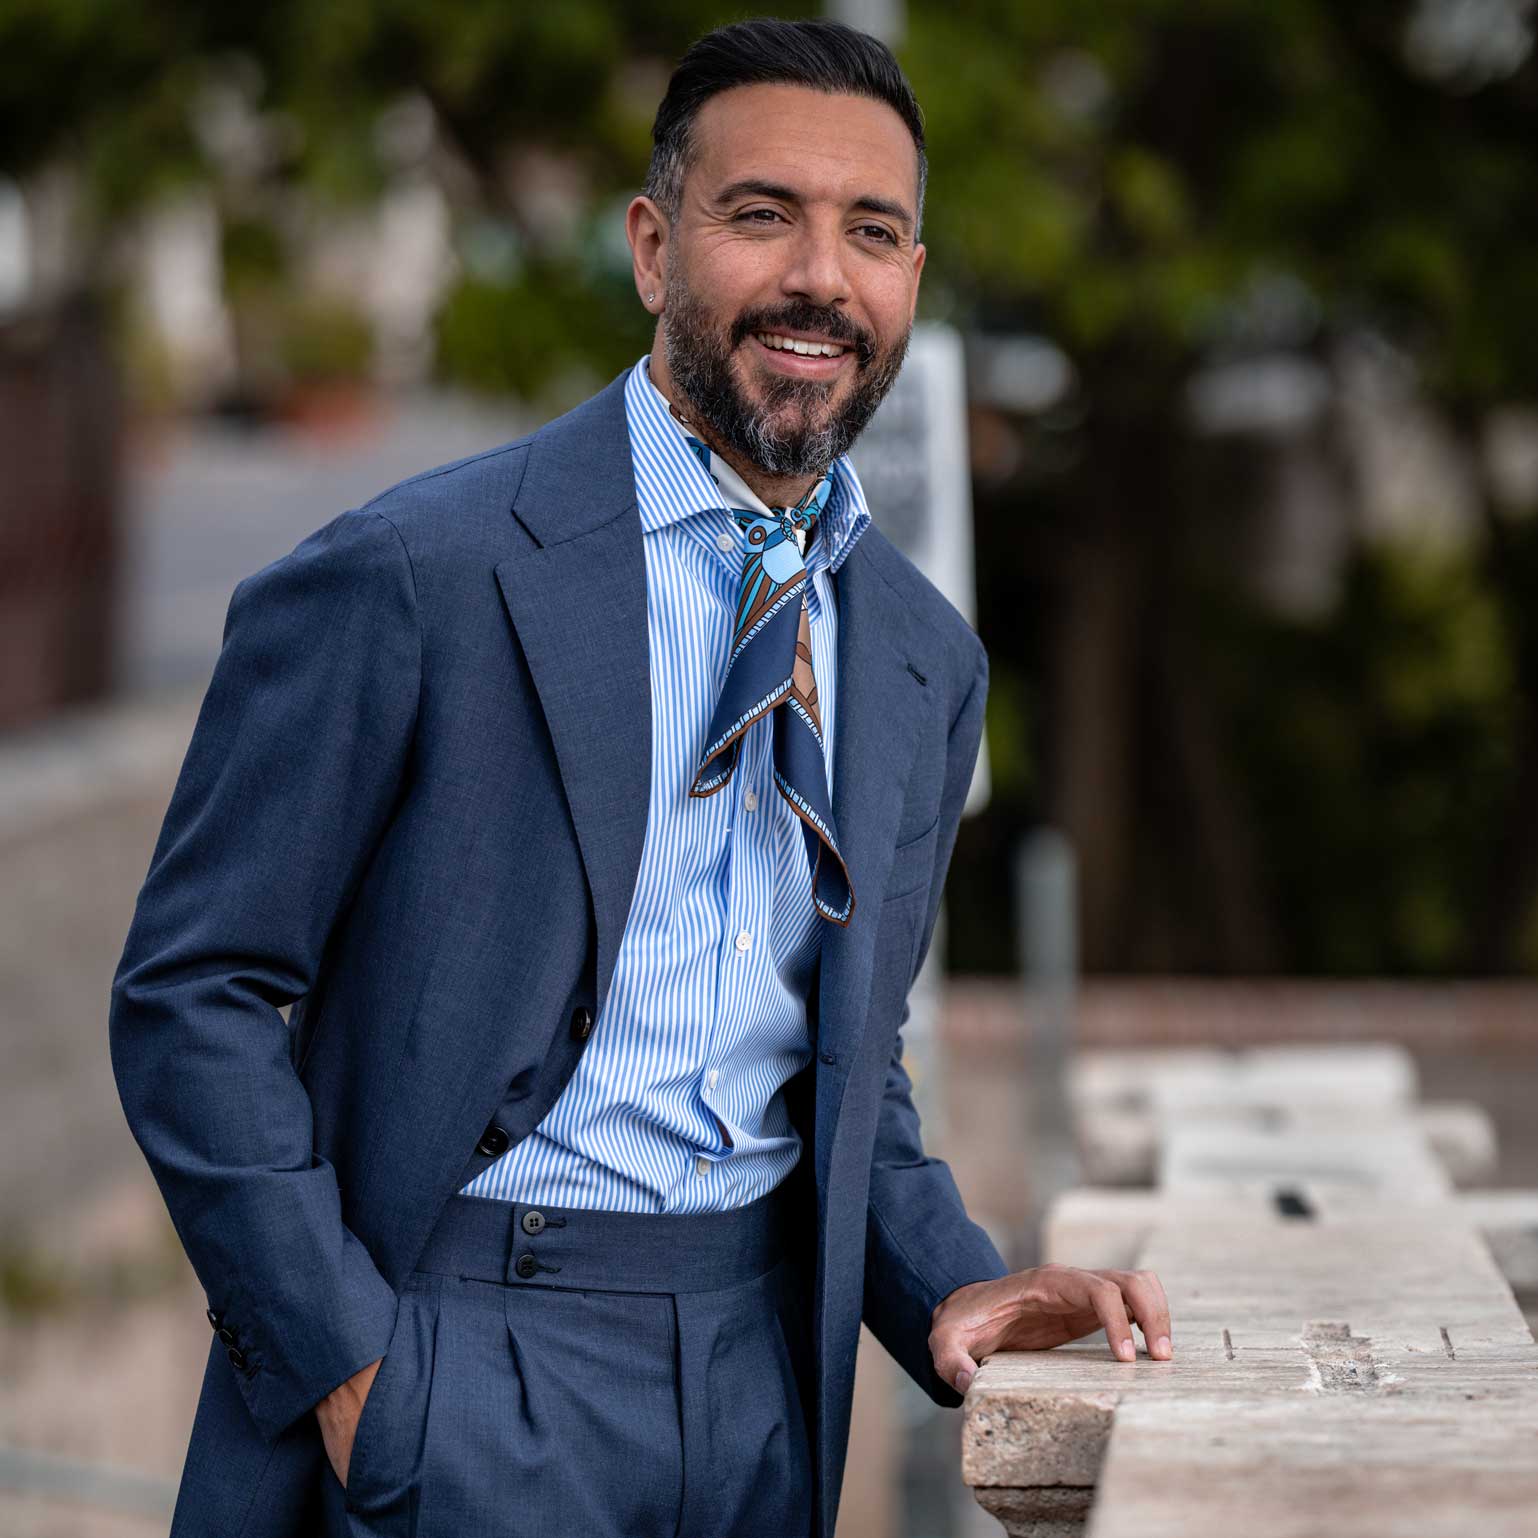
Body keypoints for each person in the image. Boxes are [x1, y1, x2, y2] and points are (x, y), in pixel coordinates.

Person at [109, 18, 1173, 1538]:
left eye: (871, 232)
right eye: (763, 215)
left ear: (912, 279)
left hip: (764, 1396)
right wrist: (350, 1368)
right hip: (458, 1364)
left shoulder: (922, 660)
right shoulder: (412, 574)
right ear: (654, 250)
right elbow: (191, 989)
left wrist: (955, 1282)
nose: (820, 276)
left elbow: (849, 1069)